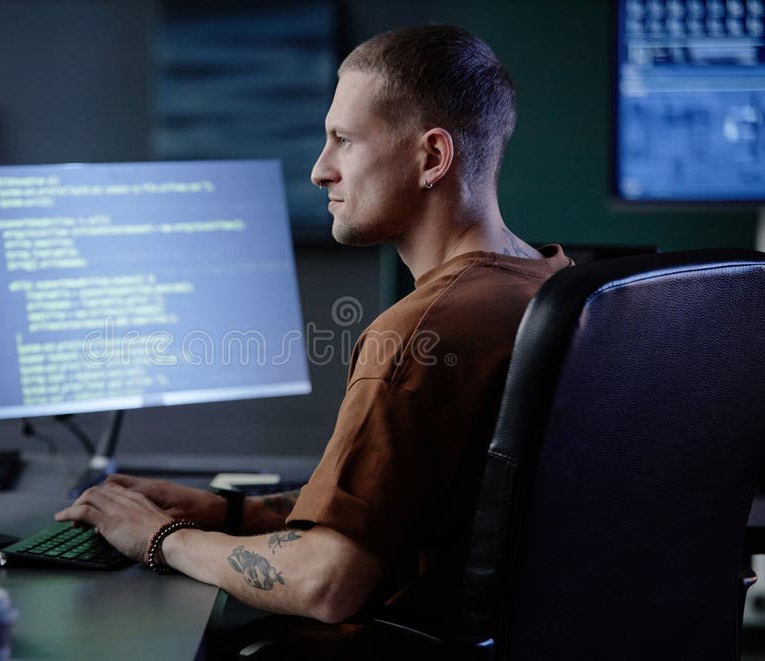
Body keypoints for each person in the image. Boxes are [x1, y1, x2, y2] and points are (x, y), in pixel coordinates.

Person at [56, 24, 572, 657]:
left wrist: (162, 537)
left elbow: (326, 581)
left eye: (344, 141)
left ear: (433, 158)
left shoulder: (421, 332)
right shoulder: (552, 280)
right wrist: (225, 511)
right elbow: (396, 502)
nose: (319, 169)